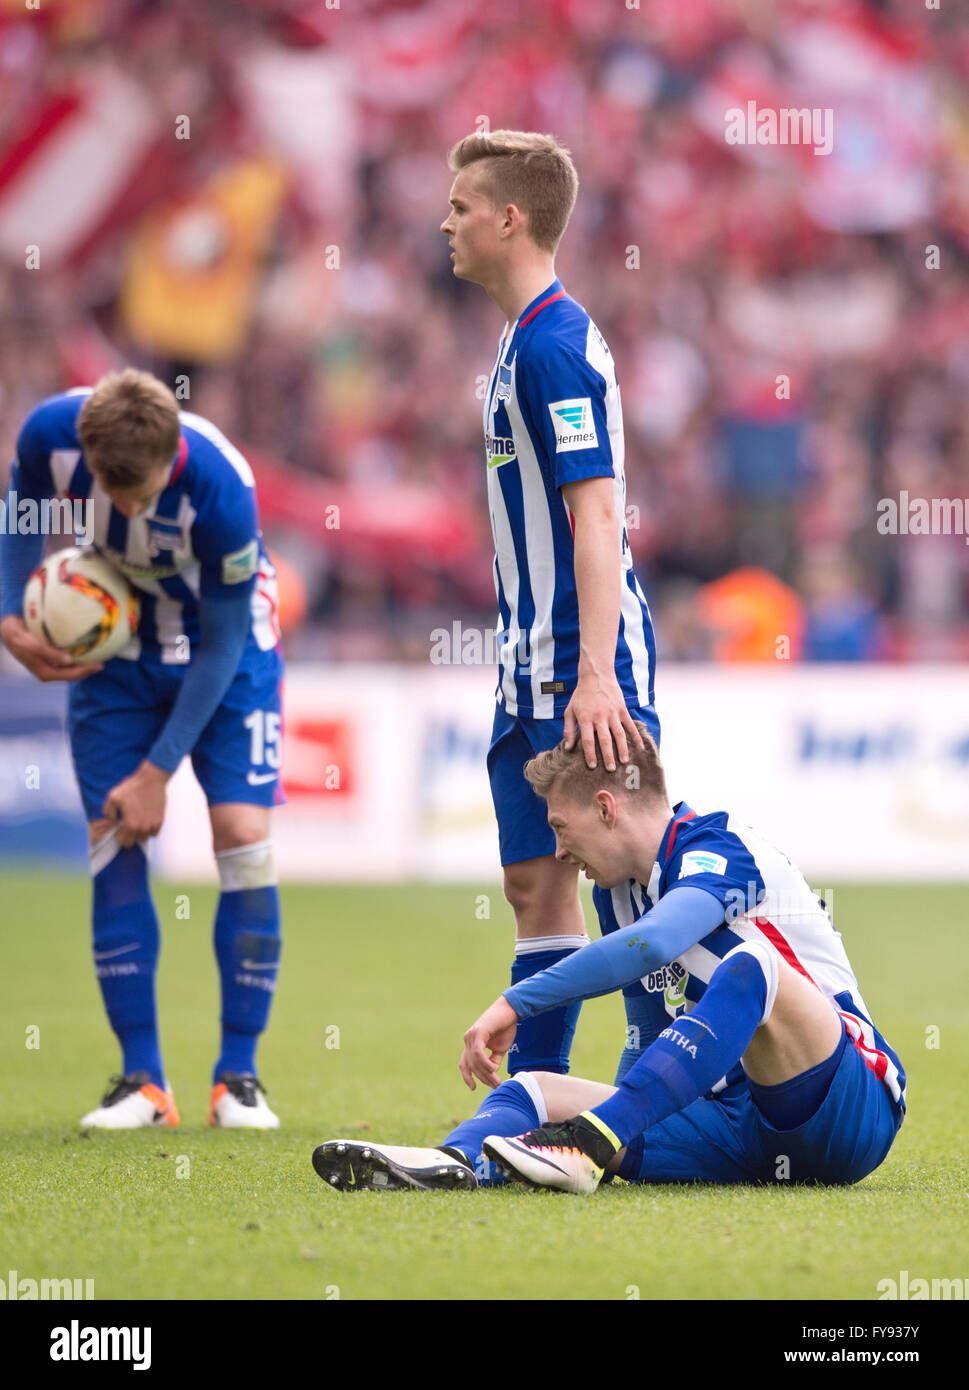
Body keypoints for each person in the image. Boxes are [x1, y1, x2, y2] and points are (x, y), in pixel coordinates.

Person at [311, 724, 904, 1193]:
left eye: (562, 828)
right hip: (737, 1134)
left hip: (845, 1108)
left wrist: (518, 1000)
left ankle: (589, 1142)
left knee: (754, 969)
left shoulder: (720, 848)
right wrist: (629, 1119)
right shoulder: (616, 894)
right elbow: (648, 1037)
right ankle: (451, 1163)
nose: (561, 851)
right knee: (534, 1091)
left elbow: (654, 944)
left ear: (605, 806)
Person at [0, 369, 284, 1129]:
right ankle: (144, 1085)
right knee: (111, 834)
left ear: (173, 454)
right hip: (115, 652)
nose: (125, 508)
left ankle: (239, 1078)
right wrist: (8, 615)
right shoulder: (48, 436)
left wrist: (158, 772)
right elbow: (21, 510)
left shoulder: (222, 492)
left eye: (141, 494)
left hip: (224, 648)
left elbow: (221, 646)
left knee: (242, 834)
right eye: (110, 491)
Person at [440, 129, 660, 1082]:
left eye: (458, 208)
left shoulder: (555, 348)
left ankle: (672, 1087)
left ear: (507, 217)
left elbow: (597, 513)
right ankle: (534, 1102)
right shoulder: (516, 338)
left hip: (579, 659)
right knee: (535, 881)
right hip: (525, 659)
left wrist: (598, 674)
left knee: (627, 882)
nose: (444, 223)